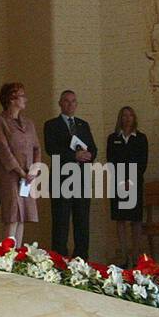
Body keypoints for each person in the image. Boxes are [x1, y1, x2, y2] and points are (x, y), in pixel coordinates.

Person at [43, 90, 98, 259]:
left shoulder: (83, 124)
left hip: (81, 179)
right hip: (61, 179)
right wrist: (73, 156)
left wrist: (89, 155)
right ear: (60, 103)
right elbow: (51, 149)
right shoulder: (51, 124)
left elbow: (93, 148)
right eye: (66, 101)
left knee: (82, 221)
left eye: (73, 101)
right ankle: (60, 260)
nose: (70, 104)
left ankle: (82, 259)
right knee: (61, 222)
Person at [0, 82, 40, 248]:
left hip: (28, 176)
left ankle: (17, 254)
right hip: (11, 175)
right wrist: (20, 171)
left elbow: (36, 148)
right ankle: (7, 254)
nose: (26, 99)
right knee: (12, 215)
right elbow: (3, 150)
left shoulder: (29, 123)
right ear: (11, 99)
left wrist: (34, 169)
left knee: (23, 215)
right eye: (22, 95)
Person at [107, 106, 150, 266]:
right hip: (117, 182)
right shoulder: (113, 138)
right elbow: (111, 161)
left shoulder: (140, 138)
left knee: (136, 219)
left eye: (130, 115)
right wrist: (120, 181)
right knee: (120, 218)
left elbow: (143, 162)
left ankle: (135, 254)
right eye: (124, 115)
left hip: (135, 182)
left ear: (134, 118)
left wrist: (130, 181)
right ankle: (124, 254)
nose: (127, 118)